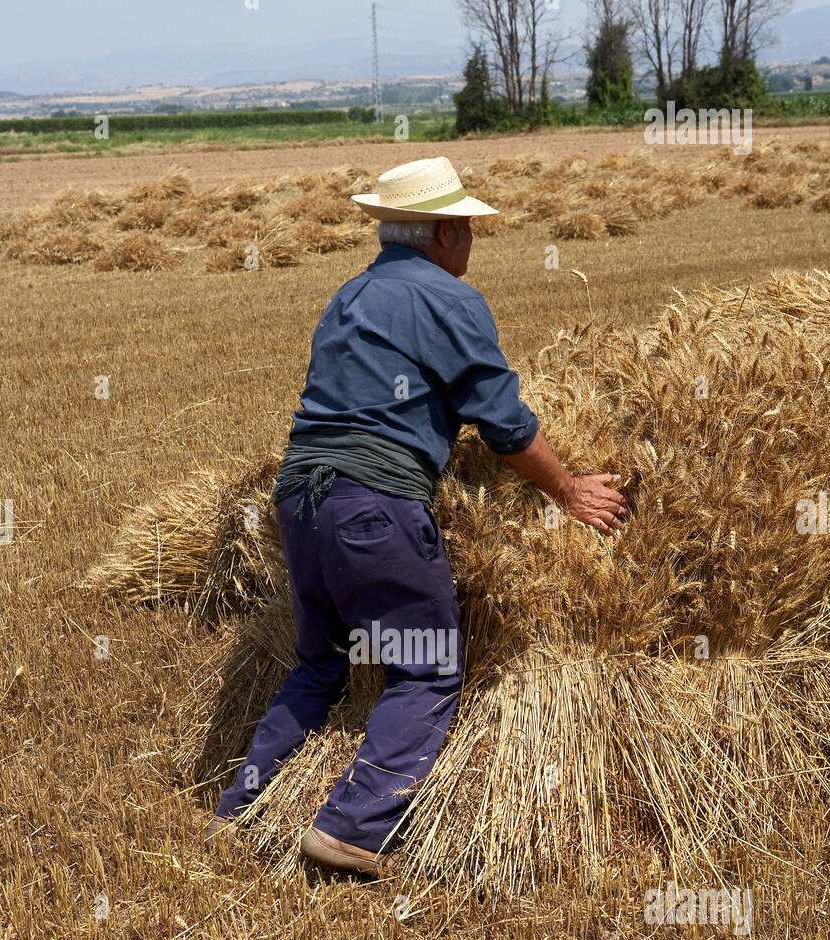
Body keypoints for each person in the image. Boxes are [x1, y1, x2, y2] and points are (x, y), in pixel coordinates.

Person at [207, 157, 627, 875]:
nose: (471, 241)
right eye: (465, 228)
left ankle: (240, 805)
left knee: (321, 661)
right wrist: (567, 490)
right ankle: (351, 829)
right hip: (374, 505)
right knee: (428, 668)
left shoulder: (349, 294)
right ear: (440, 233)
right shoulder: (448, 300)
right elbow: (502, 421)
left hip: (299, 500)